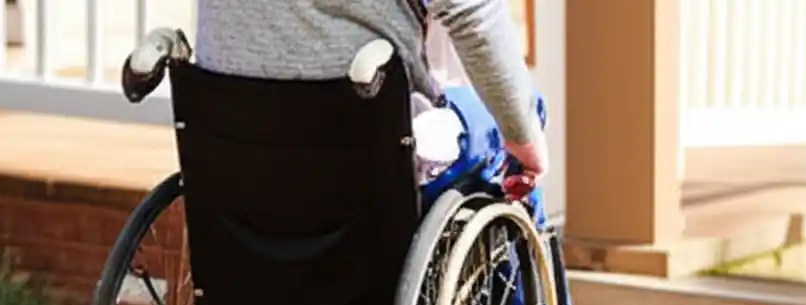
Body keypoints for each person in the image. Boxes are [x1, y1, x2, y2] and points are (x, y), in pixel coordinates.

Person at [192, 0, 549, 183]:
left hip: (237, 140)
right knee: (520, 119)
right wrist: (524, 136)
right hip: (359, 143)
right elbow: (472, 14)